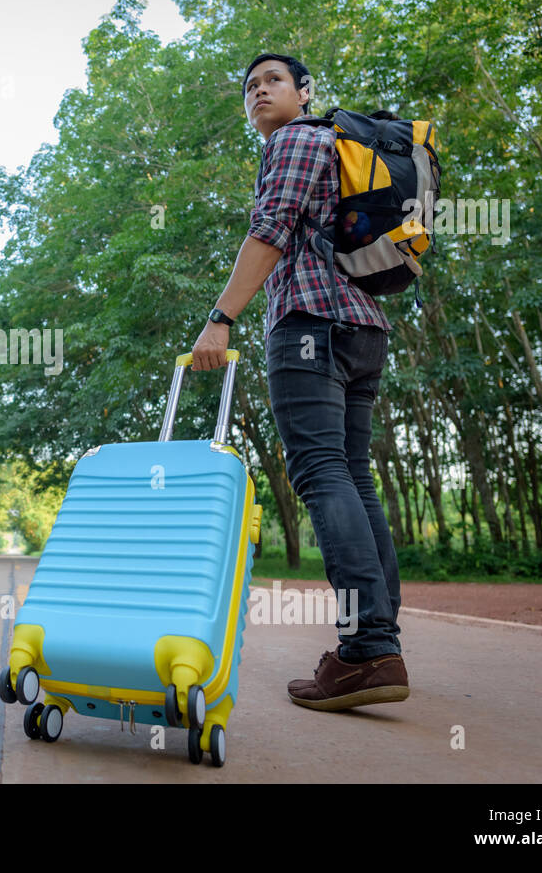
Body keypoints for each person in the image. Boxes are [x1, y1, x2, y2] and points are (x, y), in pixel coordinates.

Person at [189, 52, 409, 712]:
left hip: (310, 326)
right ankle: (379, 637)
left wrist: (219, 317)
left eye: (272, 81)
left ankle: (369, 646)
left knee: (321, 472)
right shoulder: (338, 146)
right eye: (250, 87)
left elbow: (270, 230)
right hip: (365, 330)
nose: (259, 92)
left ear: (304, 92)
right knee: (352, 473)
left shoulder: (293, 139)